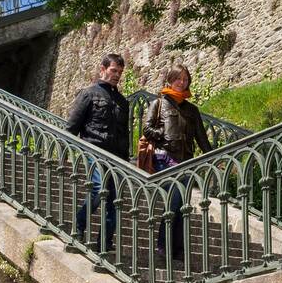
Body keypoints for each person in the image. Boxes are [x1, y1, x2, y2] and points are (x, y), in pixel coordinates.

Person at [143, 64, 212, 260]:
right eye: (178, 79)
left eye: (185, 79)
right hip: (165, 159)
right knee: (172, 204)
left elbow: (201, 138)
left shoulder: (192, 110)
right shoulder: (158, 103)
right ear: (170, 80)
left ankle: (178, 249)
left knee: (182, 206)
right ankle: (163, 247)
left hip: (186, 162)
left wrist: (213, 156)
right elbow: (147, 130)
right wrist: (163, 135)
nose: (182, 83)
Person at [65, 54, 130, 252]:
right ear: (102, 69)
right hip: (94, 150)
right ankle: (78, 226)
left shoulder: (122, 101)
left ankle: (105, 243)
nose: (117, 75)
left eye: (119, 72)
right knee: (98, 190)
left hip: (117, 156)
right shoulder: (88, 94)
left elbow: (123, 133)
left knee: (114, 200)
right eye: (113, 70)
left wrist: (126, 160)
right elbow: (71, 126)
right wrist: (67, 152)